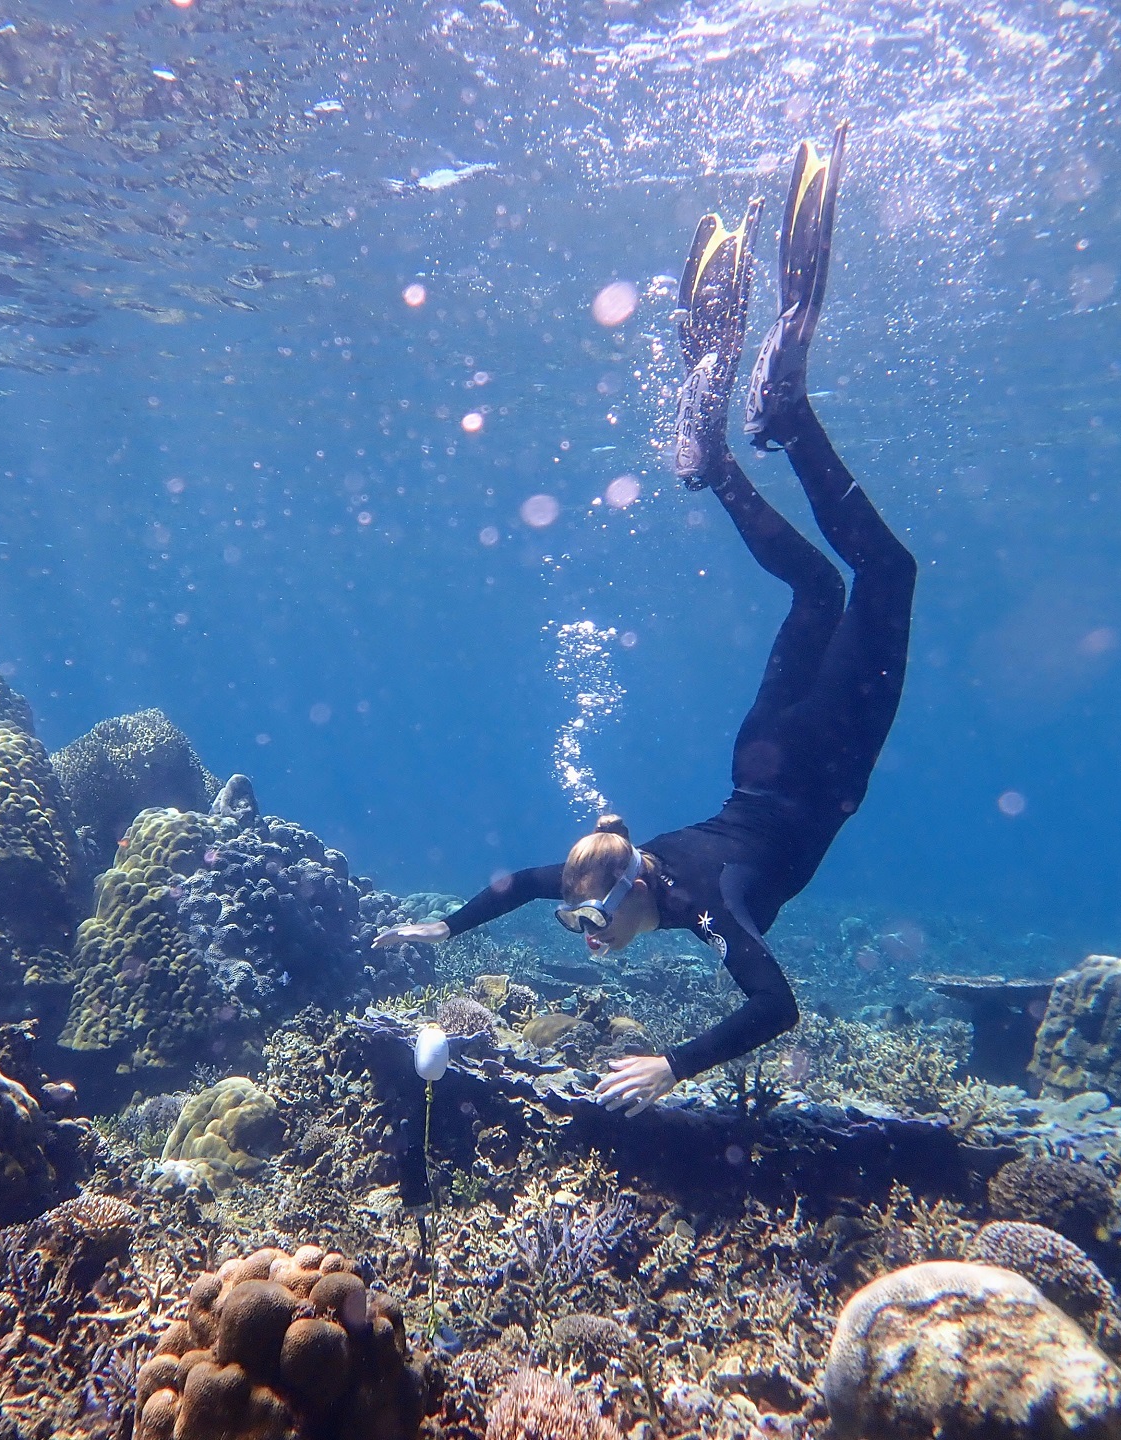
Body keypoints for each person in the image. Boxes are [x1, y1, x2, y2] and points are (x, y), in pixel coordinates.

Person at [374, 123, 917, 1117]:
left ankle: (786, 424)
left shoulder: (709, 908)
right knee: (822, 591)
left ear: (625, 893)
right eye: (585, 926)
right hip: (762, 753)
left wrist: (674, 1066)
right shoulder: (634, 870)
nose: (586, 939)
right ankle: (717, 470)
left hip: (816, 761)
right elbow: (528, 883)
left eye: (588, 924)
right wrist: (447, 934)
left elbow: (775, 1007)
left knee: (887, 569)